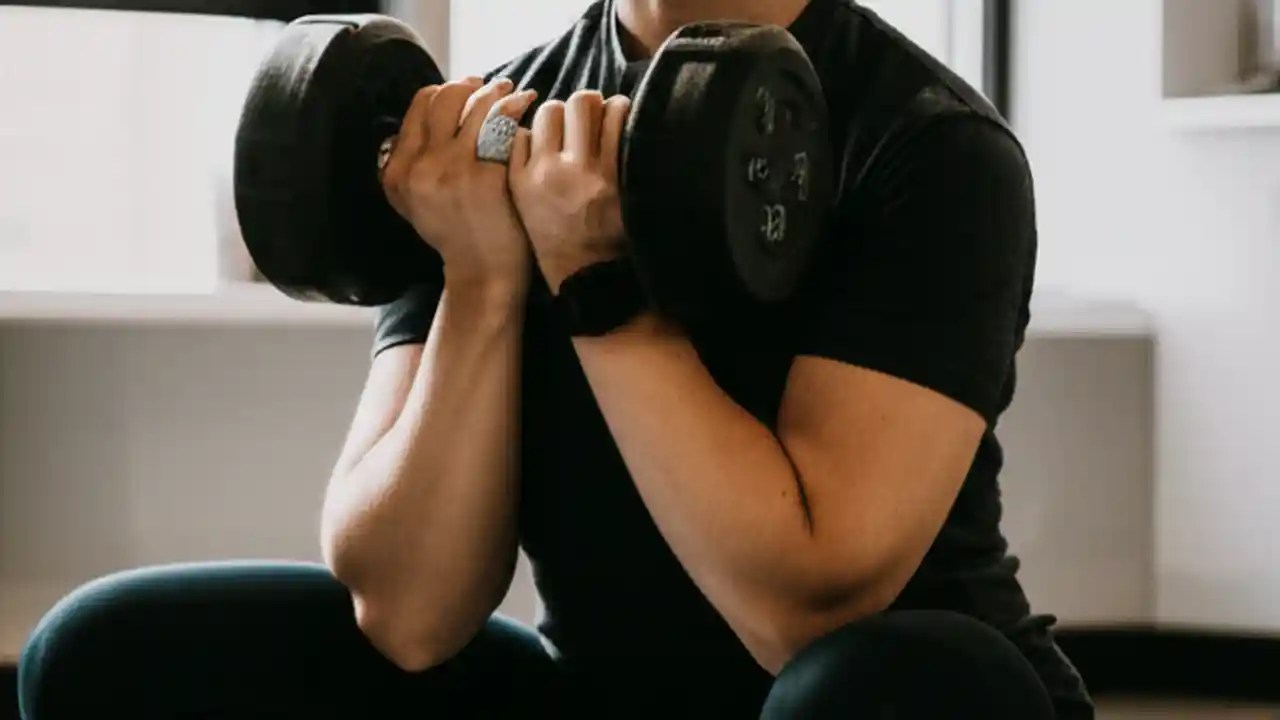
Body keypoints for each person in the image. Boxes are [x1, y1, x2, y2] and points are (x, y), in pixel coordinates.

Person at [18, 0, 1095, 718]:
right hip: (596, 692)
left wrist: (595, 285)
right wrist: (484, 278)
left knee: (887, 688)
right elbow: (405, 612)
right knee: (109, 654)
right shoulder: (481, 128)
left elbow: (799, 612)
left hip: (874, 697)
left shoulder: (926, 147)